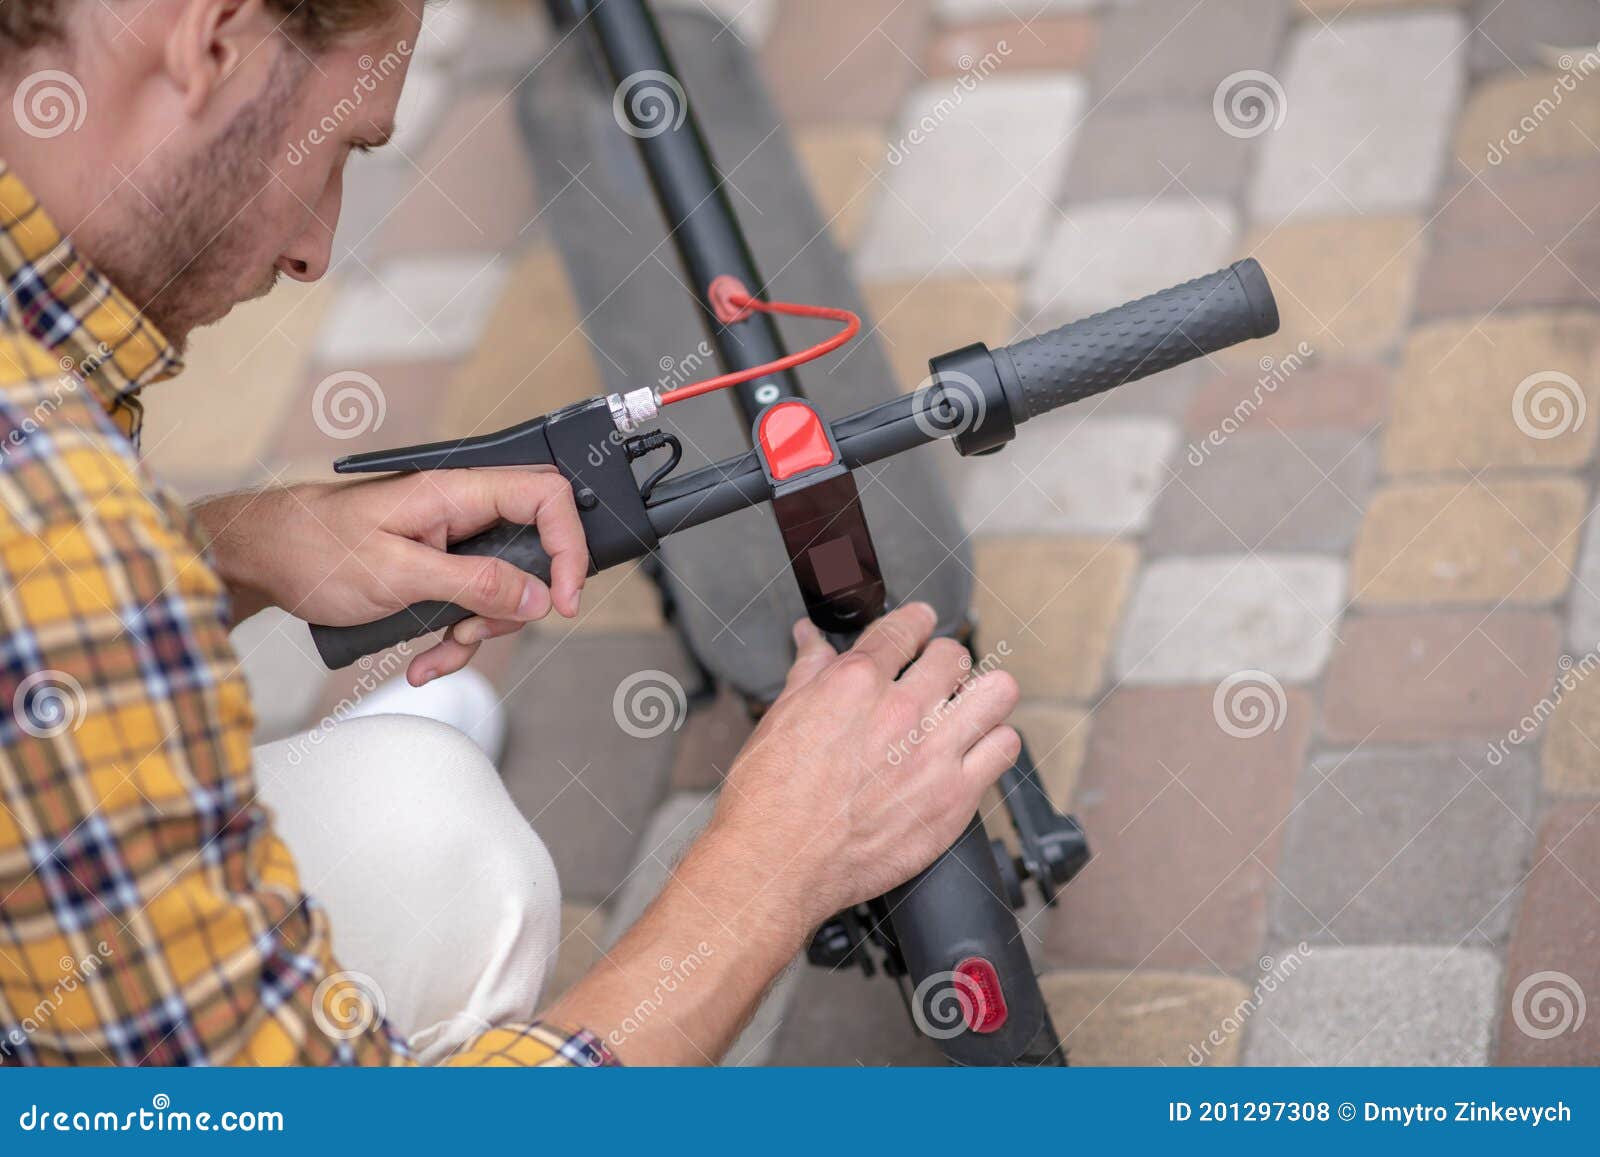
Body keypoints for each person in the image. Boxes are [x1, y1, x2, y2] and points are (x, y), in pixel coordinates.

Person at [0, 0, 1021, 1066]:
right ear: (209, 39)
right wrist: (773, 865)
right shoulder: (55, 530)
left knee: (420, 811)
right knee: (473, 872)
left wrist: (229, 543)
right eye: (339, 147)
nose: (313, 249)